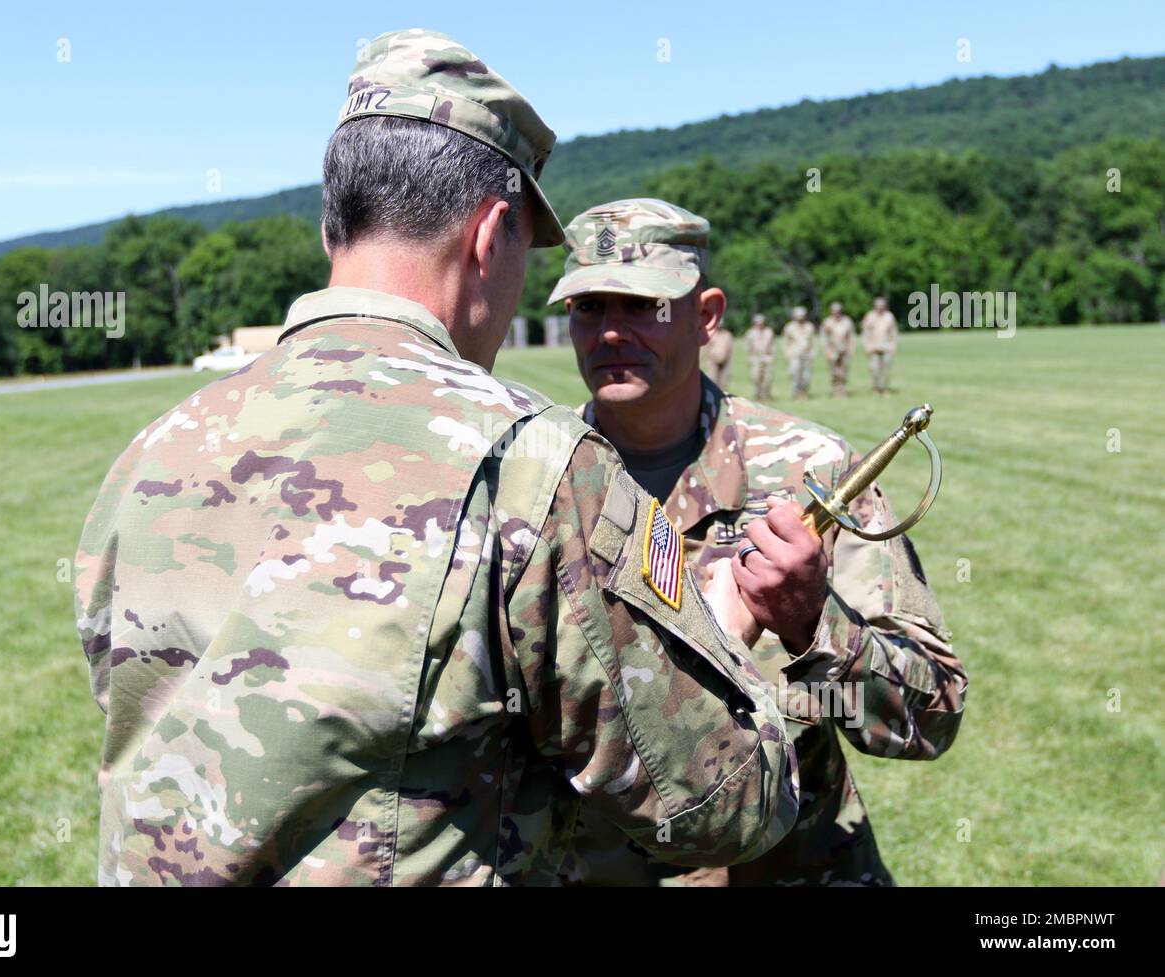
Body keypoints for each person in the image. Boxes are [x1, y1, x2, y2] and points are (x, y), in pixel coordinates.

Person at [73, 30, 796, 887]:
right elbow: (717, 801)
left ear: (331, 223)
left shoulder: (154, 450)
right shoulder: (537, 462)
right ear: (492, 235)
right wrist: (724, 637)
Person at [548, 197, 967, 886]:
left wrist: (812, 625)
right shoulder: (540, 479)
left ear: (707, 315)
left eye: (641, 306)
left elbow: (933, 713)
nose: (612, 333)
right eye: (589, 308)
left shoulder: (810, 471)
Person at [862, 297, 899, 396]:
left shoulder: (889, 316)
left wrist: (894, 345)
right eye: (878, 306)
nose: (880, 308)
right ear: (875, 306)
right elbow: (865, 333)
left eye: (882, 306)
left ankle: (885, 389)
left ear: (885, 306)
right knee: (874, 370)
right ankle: (876, 388)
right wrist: (867, 346)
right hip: (873, 348)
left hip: (886, 348)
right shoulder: (870, 316)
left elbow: (894, 332)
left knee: (886, 370)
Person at [820, 301, 856, 397]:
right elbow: (824, 337)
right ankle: (835, 390)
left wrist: (851, 349)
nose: (836, 312)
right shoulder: (827, 322)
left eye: (838, 311)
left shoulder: (847, 321)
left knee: (844, 372)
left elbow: (851, 337)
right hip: (832, 352)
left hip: (844, 351)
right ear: (831, 311)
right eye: (834, 311)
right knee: (834, 372)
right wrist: (826, 350)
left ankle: (842, 390)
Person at [781, 306, 817, 399]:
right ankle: (796, 393)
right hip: (794, 355)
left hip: (807, 355)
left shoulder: (809, 326)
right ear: (794, 316)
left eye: (802, 315)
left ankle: (804, 393)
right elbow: (785, 342)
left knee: (806, 376)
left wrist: (813, 352)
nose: (800, 317)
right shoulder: (789, 327)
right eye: (798, 315)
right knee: (795, 375)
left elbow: (813, 341)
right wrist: (787, 353)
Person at [745, 314, 775, 400]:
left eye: (761, 322)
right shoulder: (750, 332)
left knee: (767, 378)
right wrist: (749, 358)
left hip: (767, 357)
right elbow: (747, 346)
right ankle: (757, 394)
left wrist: (772, 356)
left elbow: (773, 345)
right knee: (756, 377)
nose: (759, 324)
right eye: (757, 322)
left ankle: (766, 395)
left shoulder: (769, 331)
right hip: (755, 357)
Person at [700, 324, 734, 389]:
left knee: (724, 382)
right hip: (712, 361)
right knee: (712, 381)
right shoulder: (710, 334)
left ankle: (722, 397)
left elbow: (730, 349)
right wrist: (706, 361)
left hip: (725, 362)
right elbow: (706, 349)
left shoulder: (727, 335)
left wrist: (730, 361)